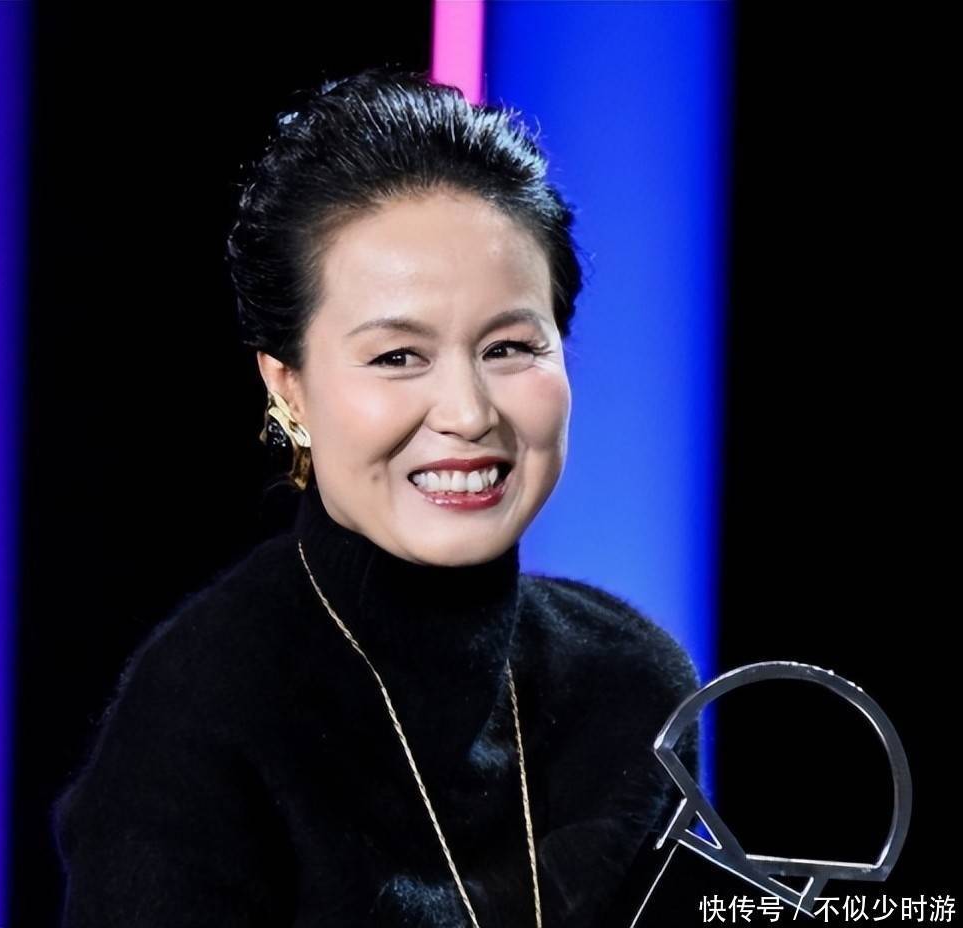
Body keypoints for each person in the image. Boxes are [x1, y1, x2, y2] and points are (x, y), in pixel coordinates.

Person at [51, 69, 700, 928]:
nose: (468, 413)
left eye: (510, 347)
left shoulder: (630, 685)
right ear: (289, 388)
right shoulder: (203, 717)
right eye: (398, 357)